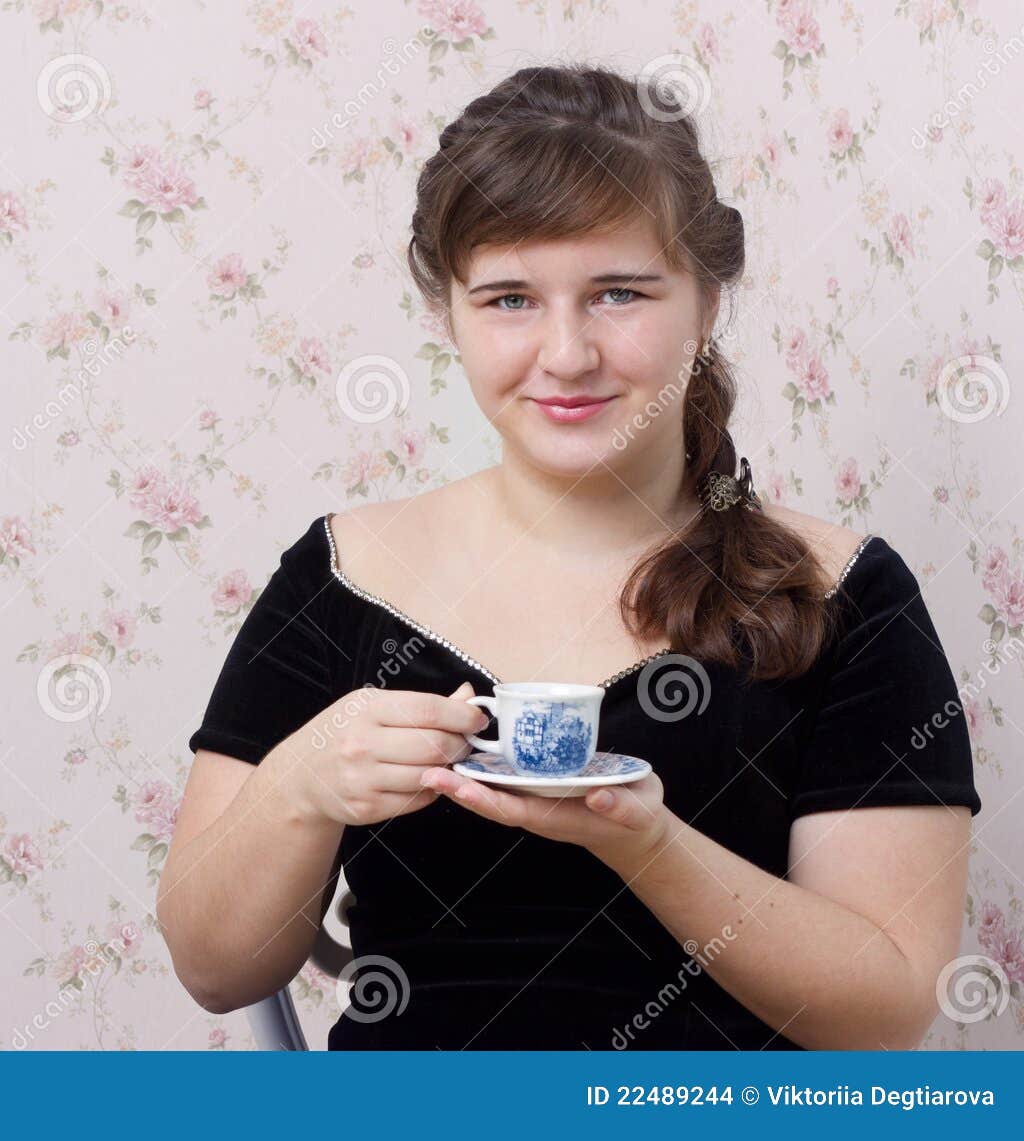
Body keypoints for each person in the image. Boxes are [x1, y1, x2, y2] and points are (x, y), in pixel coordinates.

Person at [155, 64, 983, 1050]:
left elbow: (881, 1014)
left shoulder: (844, 594)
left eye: (618, 293)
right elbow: (214, 968)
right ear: (446, 313)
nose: (566, 353)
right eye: (508, 298)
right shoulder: (339, 574)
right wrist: (299, 785)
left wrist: (645, 841)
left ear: (707, 300)